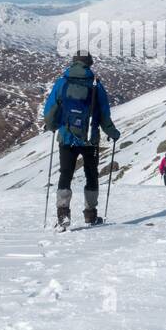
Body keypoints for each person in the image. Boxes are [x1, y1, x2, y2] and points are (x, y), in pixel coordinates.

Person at [42, 51, 120, 228]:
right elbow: (104, 114)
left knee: (66, 174)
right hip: (90, 140)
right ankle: (90, 216)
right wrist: (112, 132)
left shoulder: (62, 82)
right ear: (89, 64)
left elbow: (50, 110)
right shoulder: (96, 85)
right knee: (91, 175)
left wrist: (53, 127)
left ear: (74, 63)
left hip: (67, 138)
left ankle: (63, 216)